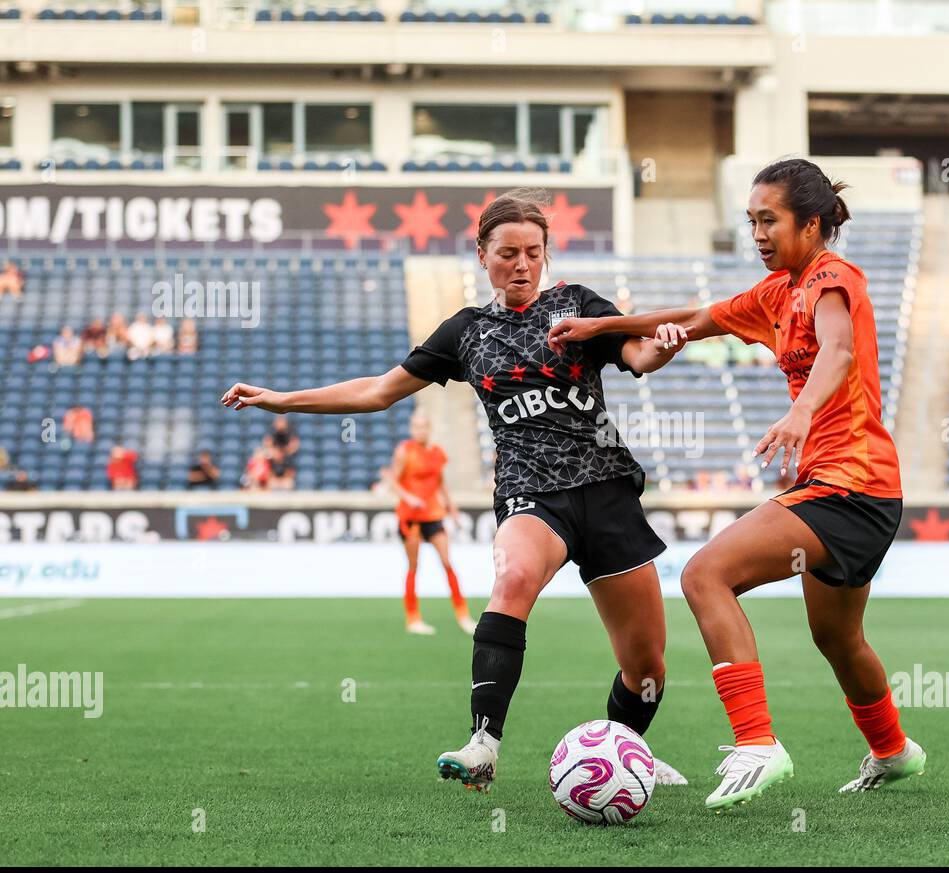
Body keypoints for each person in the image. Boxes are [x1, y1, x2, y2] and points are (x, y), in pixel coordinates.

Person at [221, 189, 692, 792]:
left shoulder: (578, 305)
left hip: (607, 491)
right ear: (482, 256)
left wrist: (666, 343)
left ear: (546, 254)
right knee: (514, 577)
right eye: (507, 253)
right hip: (531, 494)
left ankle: (623, 752)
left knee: (647, 663)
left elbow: (639, 353)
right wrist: (279, 398)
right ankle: (483, 744)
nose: (521, 265)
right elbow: (377, 392)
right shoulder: (466, 331)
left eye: (532, 252)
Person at [549, 158, 926, 810]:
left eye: (769, 220)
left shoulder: (834, 279)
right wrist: (600, 328)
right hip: (862, 491)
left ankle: (758, 741)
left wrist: (801, 411)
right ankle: (894, 751)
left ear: (811, 223)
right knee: (838, 638)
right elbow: (695, 319)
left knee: (704, 575)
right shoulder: (778, 291)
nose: (757, 232)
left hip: (849, 483)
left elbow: (837, 351)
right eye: (751, 220)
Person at [385, 411, 475, 636]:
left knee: (447, 562)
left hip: (433, 514)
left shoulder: (436, 453)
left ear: (429, 428)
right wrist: (409, 498)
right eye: (416, 426)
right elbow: (392, 481)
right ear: (411, 428)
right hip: (411, 516)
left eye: (424, 426)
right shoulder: (404, 451)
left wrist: (452, 510)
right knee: (414, 566)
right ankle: (413, 618)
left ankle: (463, 615)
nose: (420, 430)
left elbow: (440, 484)